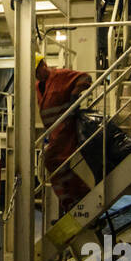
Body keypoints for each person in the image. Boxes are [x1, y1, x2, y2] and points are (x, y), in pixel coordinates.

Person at [35, 56, 92, 208]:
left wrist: (74, 95)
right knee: (58, 166)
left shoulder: (60, 76)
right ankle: (68, 202)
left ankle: (77, 197)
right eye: (34, 73)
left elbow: (85, 78)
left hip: (66, 129)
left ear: (44, 64)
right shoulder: (38, 86)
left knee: (52, 161)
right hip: (54, 133)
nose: (37, 75)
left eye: (37, 71)